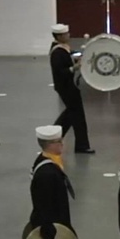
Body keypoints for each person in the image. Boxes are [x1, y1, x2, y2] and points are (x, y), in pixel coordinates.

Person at [49, 23, 94, 154]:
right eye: (66, 34)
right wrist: (74, 67)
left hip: (68, 86)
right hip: (66, 87)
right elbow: (60, 71)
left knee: (70, 114)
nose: (68, 36)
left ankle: (53, 137)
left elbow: (68, 57)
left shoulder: (62, 48)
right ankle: (81, 145)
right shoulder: (57, 52)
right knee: (77, 115)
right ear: (59, 36)